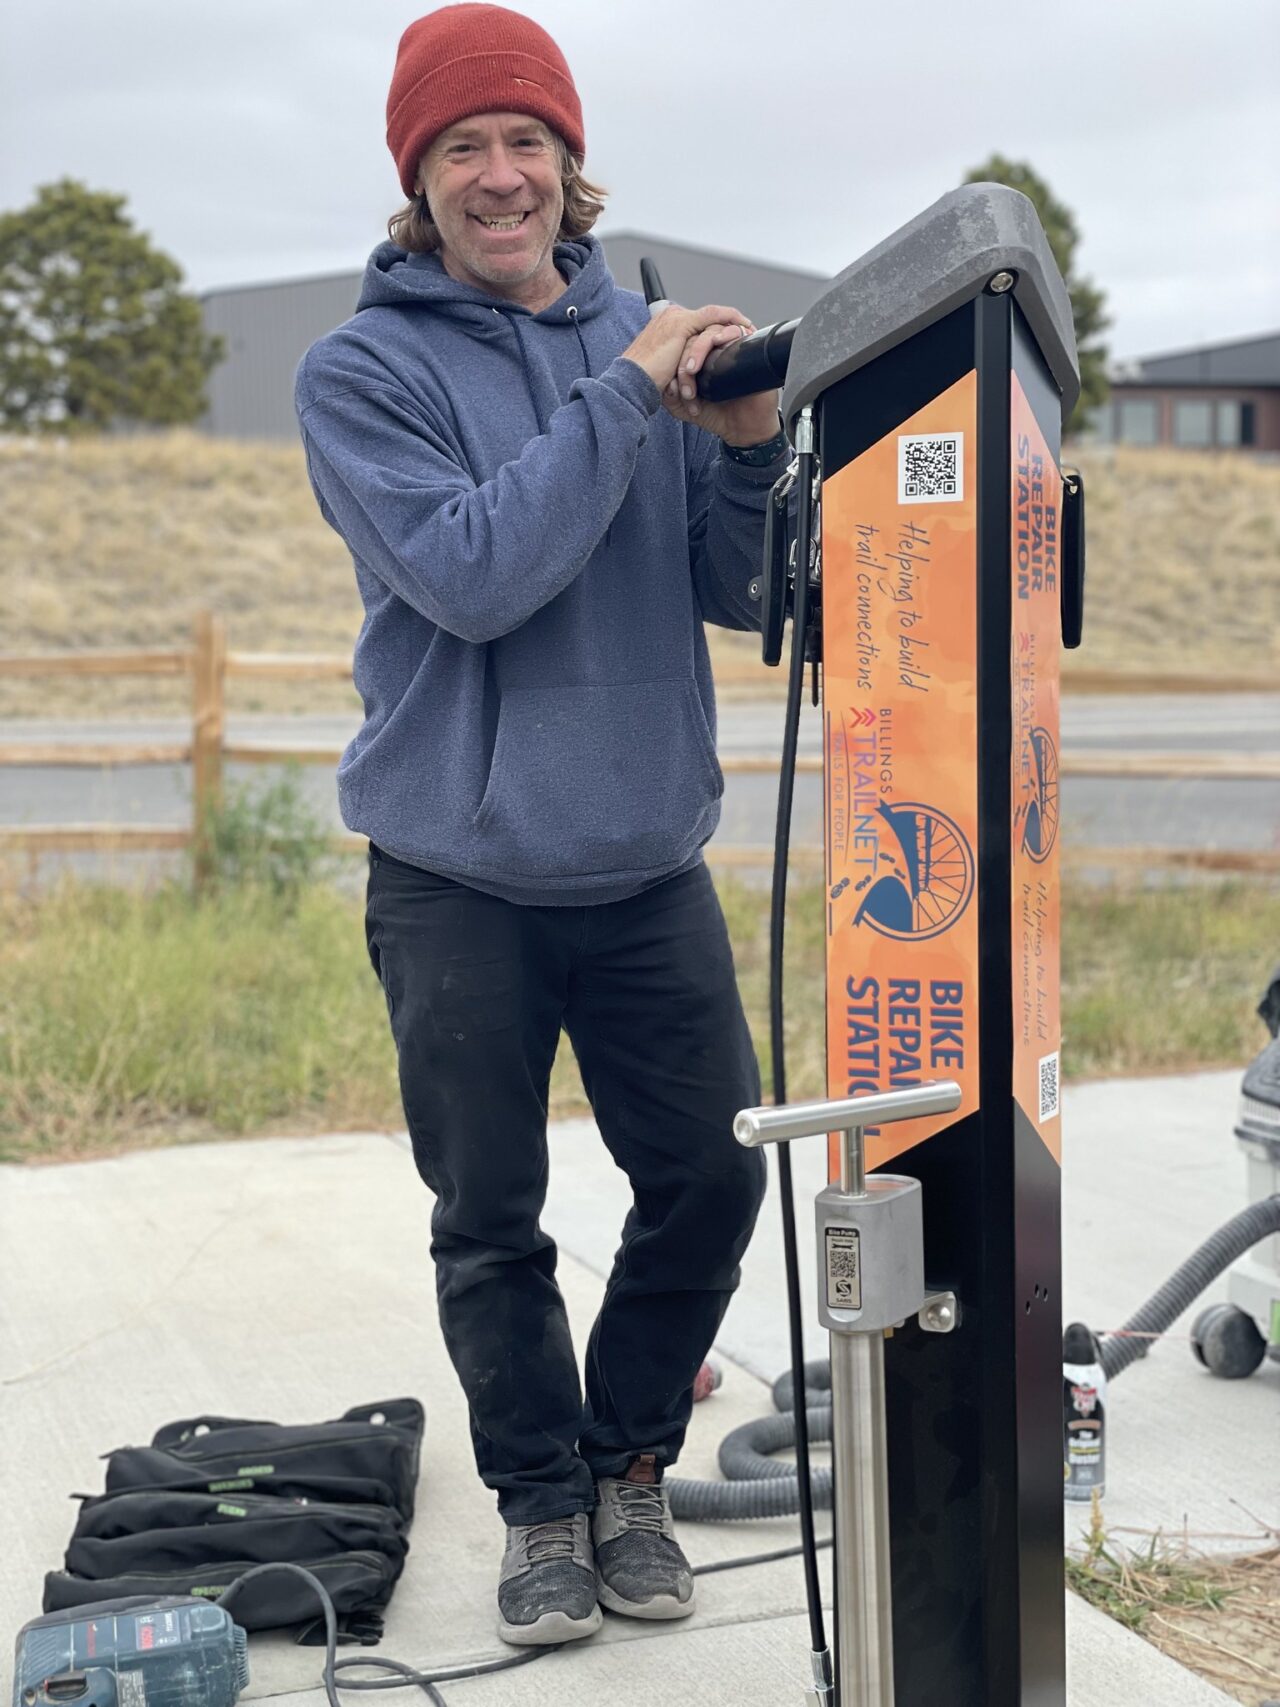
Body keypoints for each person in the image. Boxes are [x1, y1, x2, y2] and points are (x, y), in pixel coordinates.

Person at [295, 1, 790, 1650]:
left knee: (714, 1186)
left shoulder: (638, 343)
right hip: (457, 876)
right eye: (462, 150)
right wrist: (629, 397)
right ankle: (538, 1510)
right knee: (490, 1220)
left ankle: (629, 1463)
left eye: (527, 144)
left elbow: (730, 591)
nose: (500, 176)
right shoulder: (361, 371)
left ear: (570, 169)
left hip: (649, 868)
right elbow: (477, 576)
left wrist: (736, 451)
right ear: (418, 181)